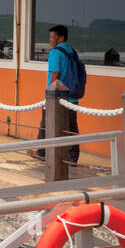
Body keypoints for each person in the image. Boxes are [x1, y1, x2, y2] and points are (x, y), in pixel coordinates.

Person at [36, 24, 86, 163]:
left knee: (45, 123)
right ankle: (72, 158)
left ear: (61, 38)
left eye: (52, 37)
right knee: (71, 128)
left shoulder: (55, 53)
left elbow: (55, 73)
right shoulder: (72, 52)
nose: (50, 40)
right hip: (72, 96)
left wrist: (48, 93)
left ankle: (41, 152)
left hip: (56, 96)